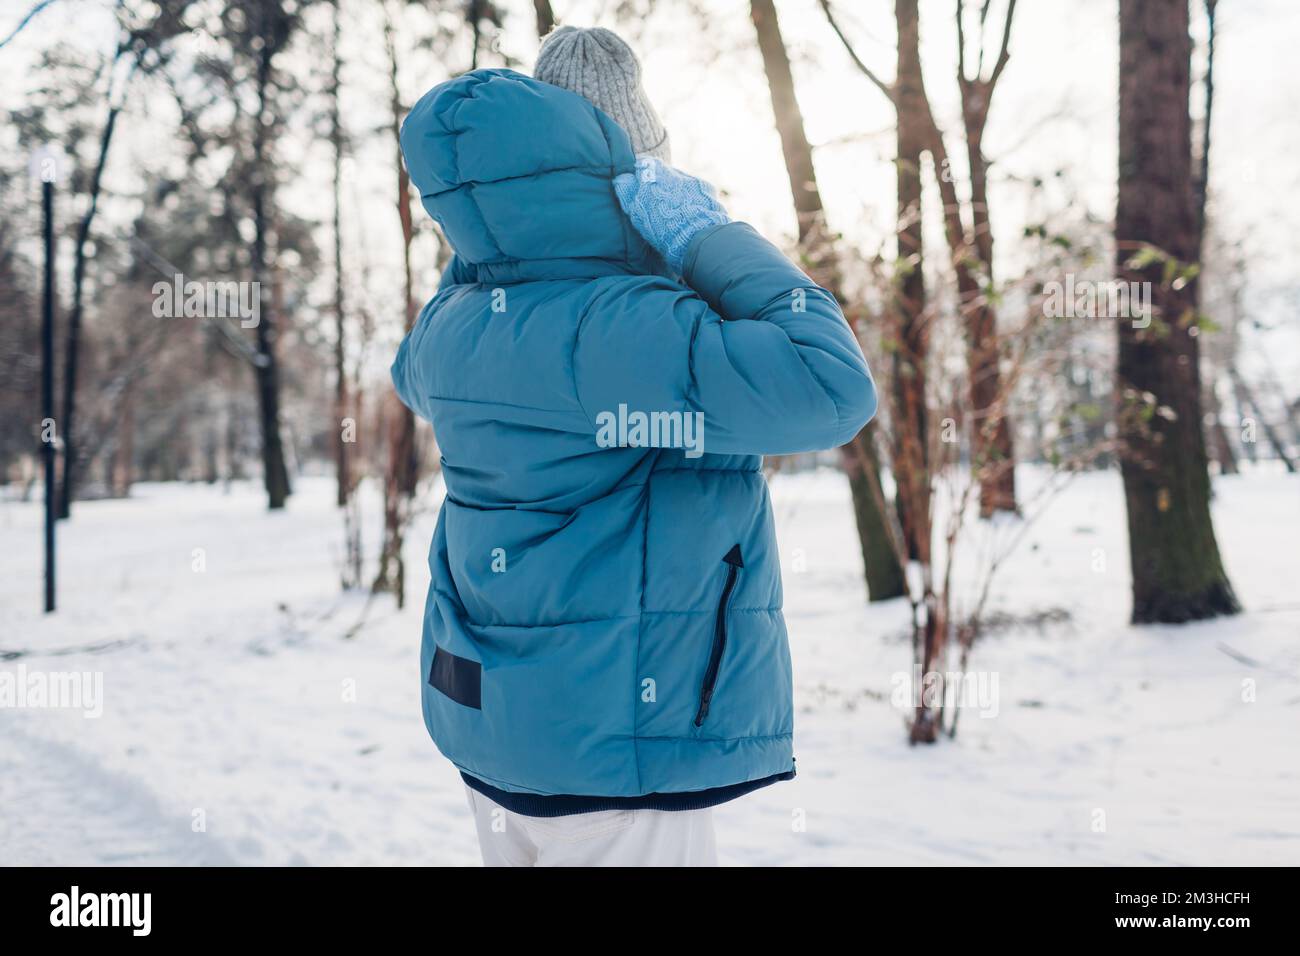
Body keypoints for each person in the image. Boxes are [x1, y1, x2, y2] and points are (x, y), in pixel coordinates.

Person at [392, 25, 877, 867]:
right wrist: (705, 237)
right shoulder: (631, 328)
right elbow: (832, 386)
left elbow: (414, 376)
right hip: (616, 743)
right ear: (633, 181)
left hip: (496, 729)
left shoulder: (450, 327)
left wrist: (492, 246)